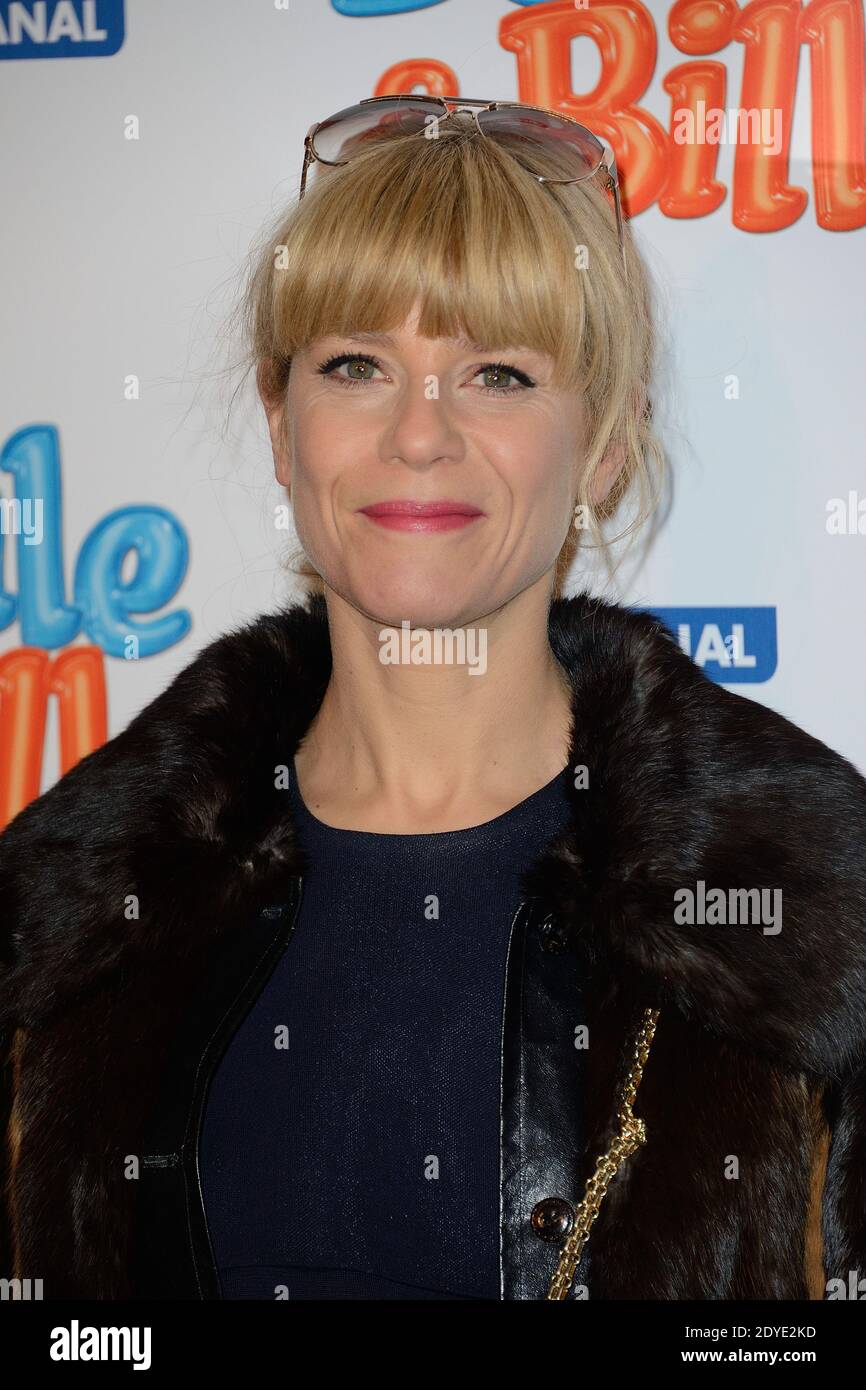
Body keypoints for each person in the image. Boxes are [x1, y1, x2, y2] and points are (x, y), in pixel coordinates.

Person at [1, 96, 865, 1302]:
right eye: (355, 365)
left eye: (497, 374)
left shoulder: (807, 905)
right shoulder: (73, 913)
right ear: (279, 421)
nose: (418, 433)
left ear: (603, 446)